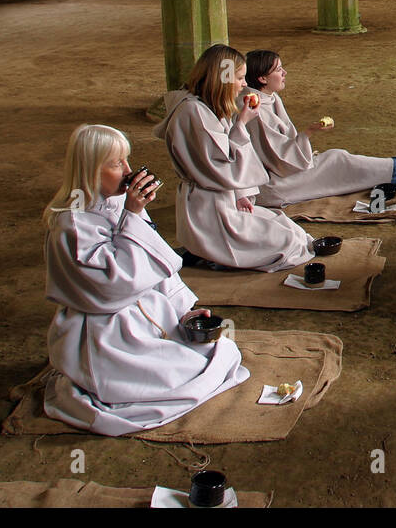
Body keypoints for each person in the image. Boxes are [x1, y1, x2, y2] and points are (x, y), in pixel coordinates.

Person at [41, 123, 249, 436]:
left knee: (219, 352)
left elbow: (156, 265)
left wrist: (183, 312)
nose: (127, 170)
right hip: (105, 330)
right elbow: (112, 286)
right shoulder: (70, 223)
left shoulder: (119, 202)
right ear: (89, 170)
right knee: (183, 376)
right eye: (115, 163)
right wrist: (133, 214)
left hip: (148, 312)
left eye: (127, 160)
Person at [153, 44, 316, 271]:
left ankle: (209, 253)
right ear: (224, 79)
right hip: (208, 211)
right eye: (240, 78)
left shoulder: (210, 107)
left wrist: (240, 194)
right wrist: (241, 124)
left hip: (224, 199)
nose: (244, 84)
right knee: (287, 243)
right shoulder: (193, 113)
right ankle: (206, 254)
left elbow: (221, 163)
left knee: (290, 228)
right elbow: (221, 166)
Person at [241, 49, 396, 206]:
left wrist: (303, 142)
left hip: (289, 166)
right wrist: (308, 133)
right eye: (278, 70)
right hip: (274, 184)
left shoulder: (269, 98)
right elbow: (279, 161)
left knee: (337, 160)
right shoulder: (256, 109)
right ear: (263, 79)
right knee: (337, 160)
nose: (285, 73)